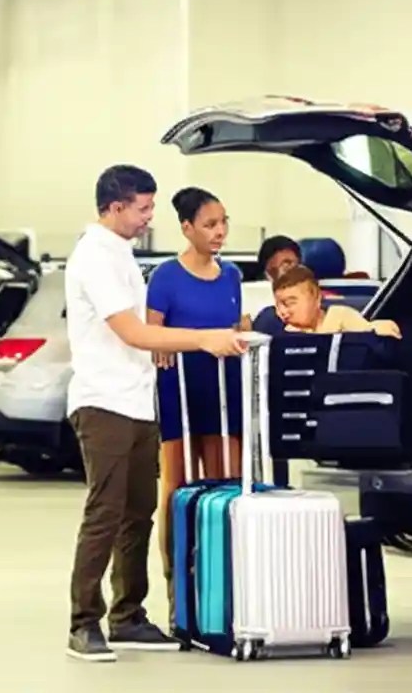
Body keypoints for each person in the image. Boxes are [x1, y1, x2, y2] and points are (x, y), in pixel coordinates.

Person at [64, 165, 248, 663]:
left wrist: (162, 346)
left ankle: (128, 615)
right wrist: (202, 340)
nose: (149, 217)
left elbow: (147, 332)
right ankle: (84, 623)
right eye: (143, 208)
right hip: (104, 403)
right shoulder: (95, 258)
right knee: (104, 513)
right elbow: (133, 332)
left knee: (137, 514)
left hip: (138, 400)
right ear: (115, 207)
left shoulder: (122, 254)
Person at [145, 187, 250, 620]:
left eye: (224, 222)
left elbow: (233, 328)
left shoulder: (232, 277)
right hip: (181, 394)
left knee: (228, 483)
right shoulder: (165, 277)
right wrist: (170, 344)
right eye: (210, 224)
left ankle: (227, 581)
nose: (220, 231)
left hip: (225, 392)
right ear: (186, 228)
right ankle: (178, 587)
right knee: (177, 487)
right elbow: (155, 338)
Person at [273, 264, 401, 337]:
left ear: (317, 298)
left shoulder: (339, 316)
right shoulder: (288, 333)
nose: (283, 312)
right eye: (278, 306)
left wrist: (380, 328)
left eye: (290, 303)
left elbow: (368, 330)